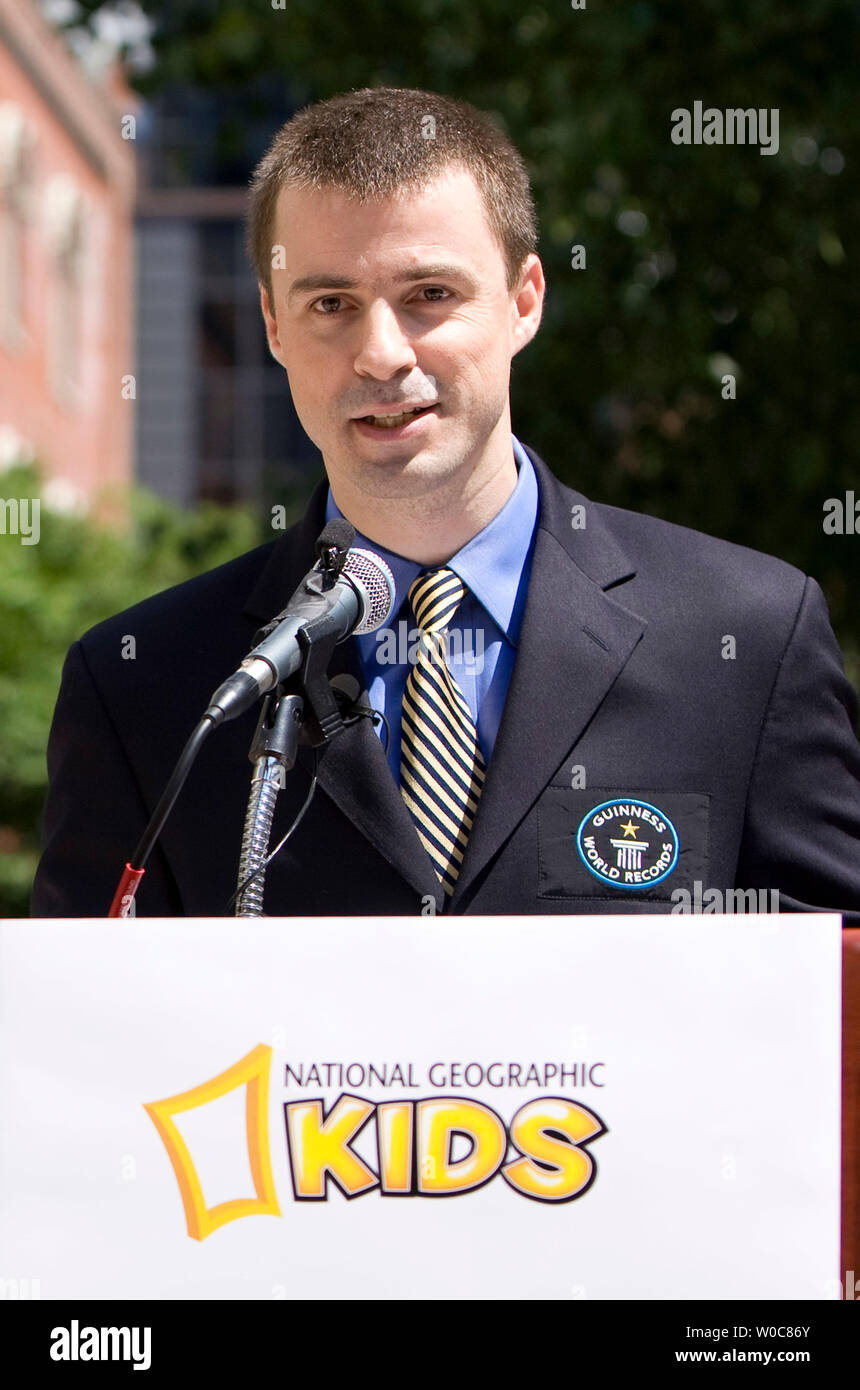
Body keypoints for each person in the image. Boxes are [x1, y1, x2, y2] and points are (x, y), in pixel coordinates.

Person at [32, 87, 860, 921]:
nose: (382, 353)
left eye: (429, 294)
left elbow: (838, 1003)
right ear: (274, 326)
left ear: (525, 300)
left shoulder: (749, 640)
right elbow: (84, 1030)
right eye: (331, 305)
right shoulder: (149, 687)